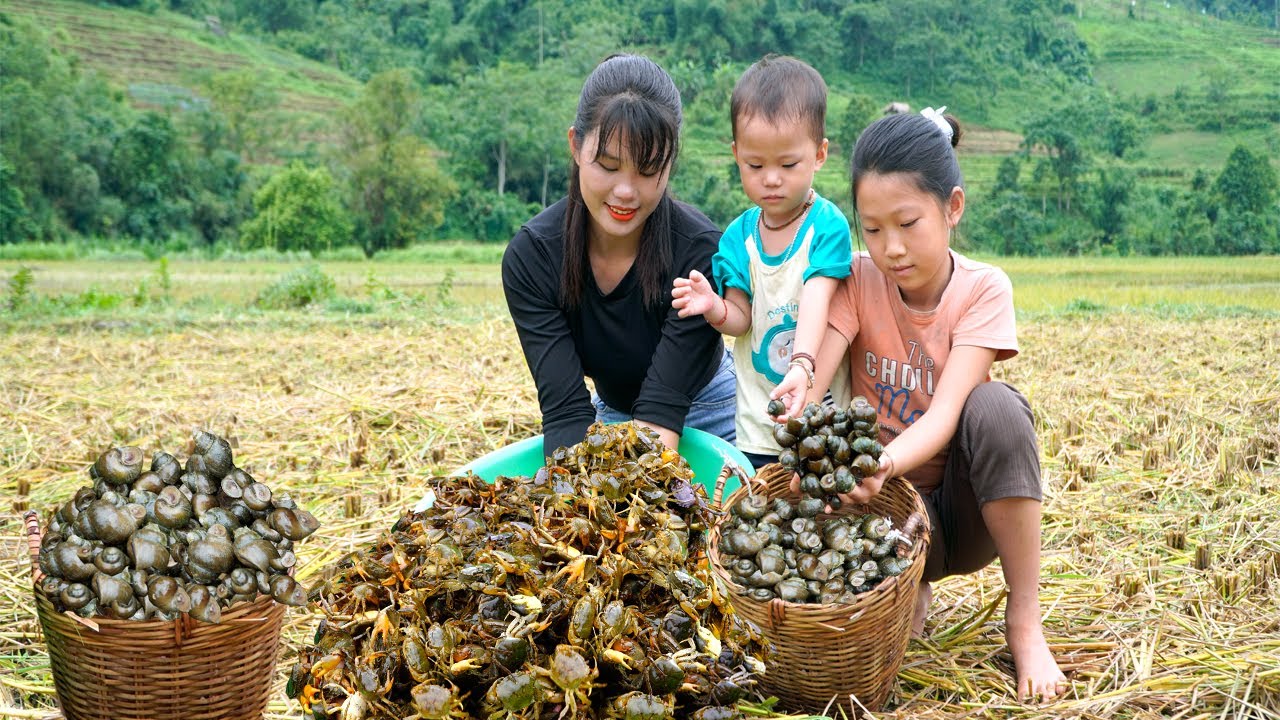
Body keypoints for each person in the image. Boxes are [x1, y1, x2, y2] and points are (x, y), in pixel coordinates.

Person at [770, 108, 1069, 701]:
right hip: (879, 514)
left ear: (952, 208)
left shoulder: (984, 290)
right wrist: (799, 383)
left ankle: (1024, 620)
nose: (891, 248)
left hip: (961, 515)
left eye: (908, 223)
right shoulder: (858, 279)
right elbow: (819, 365)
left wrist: (879, 464)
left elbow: (945, 413)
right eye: (873, 229)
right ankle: (907, 587)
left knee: (997, 409)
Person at [502, 54, 735, 459]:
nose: (626, 192)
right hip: (611, 412)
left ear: (670, 162)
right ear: (575, 146)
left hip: (711, 411)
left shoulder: (699, 252)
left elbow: (659, 417)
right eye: (608, 165)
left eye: (647, 170)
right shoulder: (533, 258)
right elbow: (566, 414)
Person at [671, 55, 851, 469]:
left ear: (819, 154)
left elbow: (817, 299)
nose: (771, 178)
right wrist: (713, 307)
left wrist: (803, 365)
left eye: (788, 165)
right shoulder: (737, 237)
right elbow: (741, 319)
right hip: (757, 418)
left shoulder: (825, 225)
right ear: (736, 155)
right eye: (755, 165)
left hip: (817, 409)